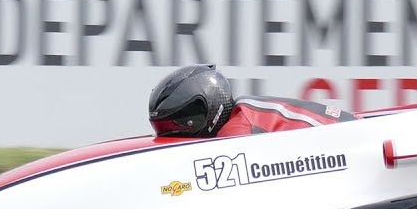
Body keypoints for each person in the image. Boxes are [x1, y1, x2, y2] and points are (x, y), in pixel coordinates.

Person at [148, 64, 355, 139]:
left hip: (352, 146)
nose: (175, 134)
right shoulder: (243, 113)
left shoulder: (236, 133)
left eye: (178, 126)